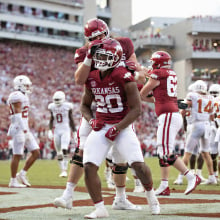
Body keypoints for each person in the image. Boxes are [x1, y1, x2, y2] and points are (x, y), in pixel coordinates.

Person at [54, 18, 146, 209]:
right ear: (87, 39)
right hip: (97, 106)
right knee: (82, 148)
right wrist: (89, 56)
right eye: (92, 38)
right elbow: (80, 80)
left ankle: (120, 198)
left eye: (100, 36)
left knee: (120, 154)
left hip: (121, 107)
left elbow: (141, 76)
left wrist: (133, 73)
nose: (97, 40)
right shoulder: (83, 52)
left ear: (107, 32)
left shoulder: (124, 43)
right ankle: (67, 194)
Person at [81, 38, 160, 218]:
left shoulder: (123, 76)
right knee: (89, 166)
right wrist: (91, 120)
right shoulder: (92, 77)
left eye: (104, 56)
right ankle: (100, 208)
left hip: (122, 125)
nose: (100, 59)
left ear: (115, 58)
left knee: (138, 165)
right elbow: (84, 106)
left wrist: (118, 127)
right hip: (101, 126)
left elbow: (137, 109)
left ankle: (152, 197)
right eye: (98, 55)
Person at [140, 51, 201, 196]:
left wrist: (143, 82)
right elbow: (156, 84)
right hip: (170, 114)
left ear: (158, 62)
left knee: (166, 152)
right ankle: (164, 185)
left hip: (168, 115)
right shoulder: (169, 73)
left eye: (153, 62)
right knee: (162, 152)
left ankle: (191, 176)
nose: (152, 64)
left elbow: (143, 93)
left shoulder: (158, 74)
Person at [179, 80, 217, 185]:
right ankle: (212, 177)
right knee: (205, 152)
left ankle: (180, 178)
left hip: (196, 125)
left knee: (187, 152)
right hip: (207, 125)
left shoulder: (193, 95)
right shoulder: (211, 98)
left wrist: (178, 105)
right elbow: (212, 116)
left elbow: (184, 107)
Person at [7, 75, 40, 187]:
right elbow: (17, 115)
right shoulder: (16, 95)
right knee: (17, 154)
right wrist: (24, 129)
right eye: (26, 85)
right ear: (19, 85)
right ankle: (13, 180)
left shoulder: (23, 96)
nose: (28, 87)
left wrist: (26, 128)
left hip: (24, 128)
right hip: (18, 128)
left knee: (36, 152)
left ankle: (22, 173)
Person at [48, 91, 77, 177]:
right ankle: (62, 170)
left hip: (65, 130)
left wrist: (74, 131)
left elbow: (71, 119)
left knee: (64, 148)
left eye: (58, 99)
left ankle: (65, 169)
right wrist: (49, 130)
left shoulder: (67, 106)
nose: (56, 101)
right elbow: (51, 119)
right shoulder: (52, 107)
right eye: (55, 99)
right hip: (56, 130)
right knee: (59, 152)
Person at [208, 84, 220, 181]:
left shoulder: (211, 101)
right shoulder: (209, 101)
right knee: (212, 154)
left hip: (216, 127)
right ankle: (214, 175)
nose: (213, 95)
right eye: (211, 92)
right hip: (213, 128)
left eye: (214, 93)